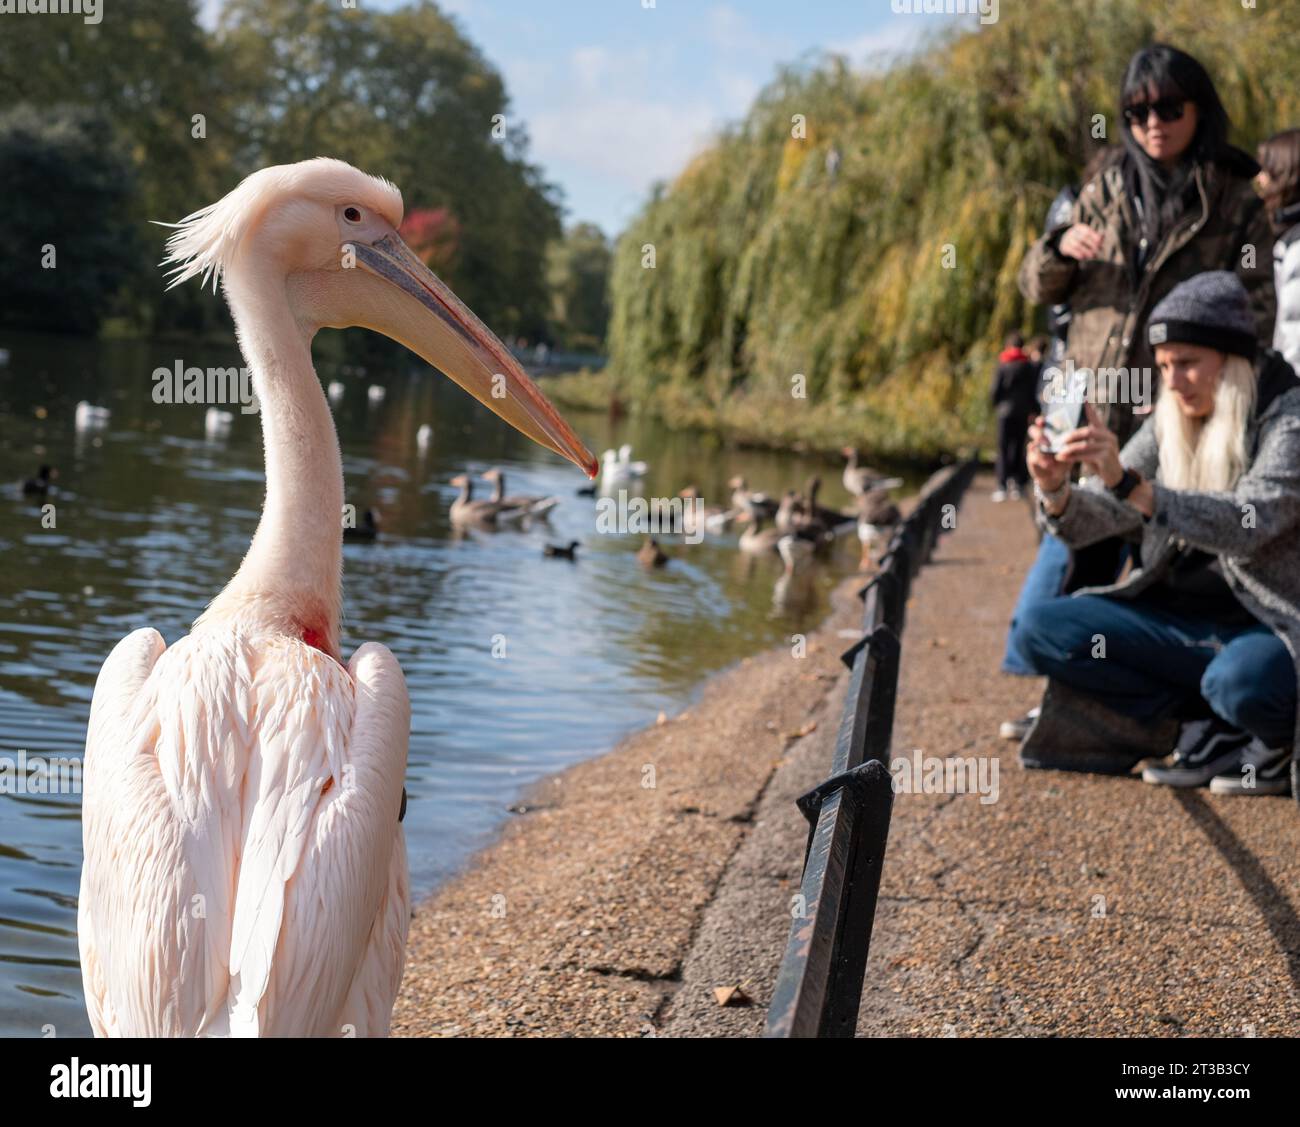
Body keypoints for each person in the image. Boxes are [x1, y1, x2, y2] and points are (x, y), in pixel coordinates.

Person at [1021, 272, 1300, 799]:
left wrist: (1132, 486)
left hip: (1271, 629)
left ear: (1233, 359)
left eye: (1188, 362)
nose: (1173, 380)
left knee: (1239, 681)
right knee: (1040, 629)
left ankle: (1258, 732)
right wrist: (1055, 489)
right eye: (1165, 364)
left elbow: (1251, 519)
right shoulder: (1170, 415)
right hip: (1183, 628)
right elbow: (1102, 514)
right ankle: (1202, 727)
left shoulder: (1289, 419)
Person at [1019, 43, 1276, 448]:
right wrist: (1059, 249)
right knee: (1068, 509)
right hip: (1085, 404)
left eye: (1170, 108)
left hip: (1174, 414)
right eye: (1137, 113)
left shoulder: (1235, 199)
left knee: (1156, 508)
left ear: (1199, 108)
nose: (1154, 124)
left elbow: (1257, 318)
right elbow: (1035, 286)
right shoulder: (1106, 189)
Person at [1256, 129, 1300, 370]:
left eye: (1266, 171)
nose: (1260, 180)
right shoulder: (1277, 235)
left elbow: (1294, 328)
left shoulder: (1296, 245)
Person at [990, 332, 1038, 501]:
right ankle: (1017, 484)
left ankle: (1001, 486)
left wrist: (996, 404)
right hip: (1022, 412)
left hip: (1004, 412)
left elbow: (995, 389)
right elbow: (1033, 391)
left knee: (1003, 448)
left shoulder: (1002, 364)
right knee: (1018, 447)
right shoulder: (1028, 366)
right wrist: (1034, 410)